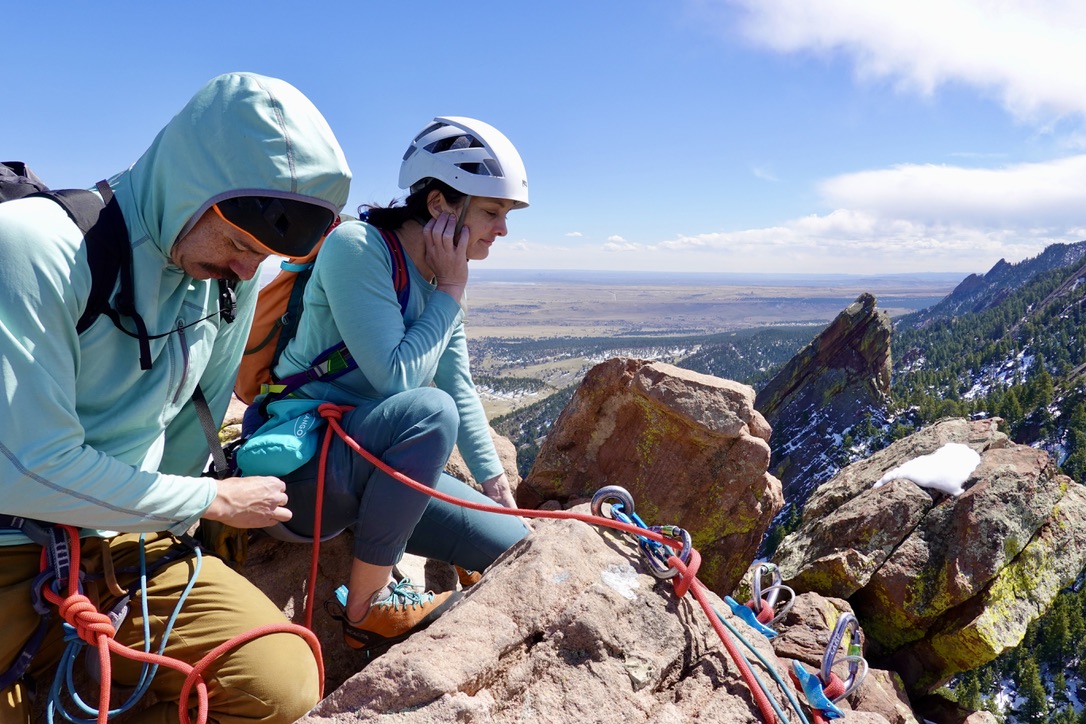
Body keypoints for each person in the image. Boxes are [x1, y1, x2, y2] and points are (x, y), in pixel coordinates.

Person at [0, 72, 352, 723]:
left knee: (279, 683)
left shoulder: (224, 282)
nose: (250, 271)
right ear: (194, 188)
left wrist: (191, 516)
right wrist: (212, 500)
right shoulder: (34, 246)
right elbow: (25, 469)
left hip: (132, 543)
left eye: (267, 256)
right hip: (11, 549)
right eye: (242, 245)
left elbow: (195, 427)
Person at [262, 116, 531, 654]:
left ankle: (404, 551)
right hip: (306, 473)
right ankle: (367, 607)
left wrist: (497, 487)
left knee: (515, 545)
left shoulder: (437, 278)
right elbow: (397, 379)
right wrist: (451, 290)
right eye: (491, 212)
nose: (502, 230)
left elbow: (459, 386)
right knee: (426, 411)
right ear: (439, 204)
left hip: (373, 468)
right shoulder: (358, 248)